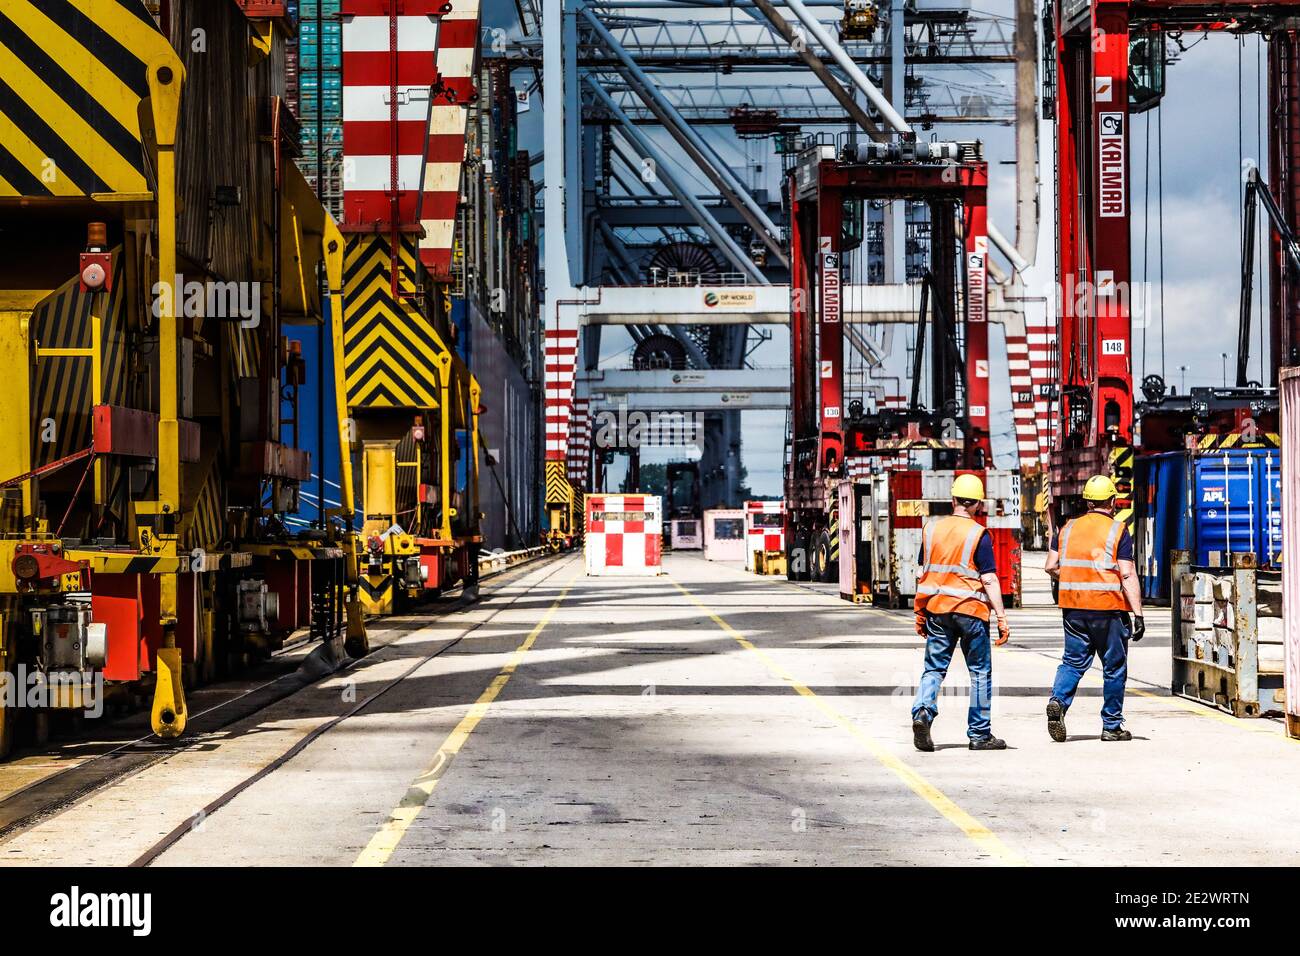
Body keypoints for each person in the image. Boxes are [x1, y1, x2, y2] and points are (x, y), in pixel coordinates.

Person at [911, 473, 1012, 753]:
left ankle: (922, 712)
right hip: (971, 612)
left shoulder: (931, 529)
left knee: (934, 669)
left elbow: (922, 573)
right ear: (978, 504)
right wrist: (1002, 617)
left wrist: (920, 613)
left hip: (937, 610)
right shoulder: (978, 534)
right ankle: (979, 734)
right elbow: (989, 579)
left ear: (953, 499)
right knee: (980, 673)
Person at [1043, 475, 1146, 742]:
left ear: (1087, 501)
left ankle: (1059, 701)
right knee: (1114, 667)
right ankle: (1111, 726)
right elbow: (1126, 574)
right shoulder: (1118, 530)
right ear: (1112, 501)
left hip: (1073, 608)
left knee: (1073, 662)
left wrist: (1073, 579)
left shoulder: (1066, 529)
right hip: (1108, 608)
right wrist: (1138, 614)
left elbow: (1050, 566)